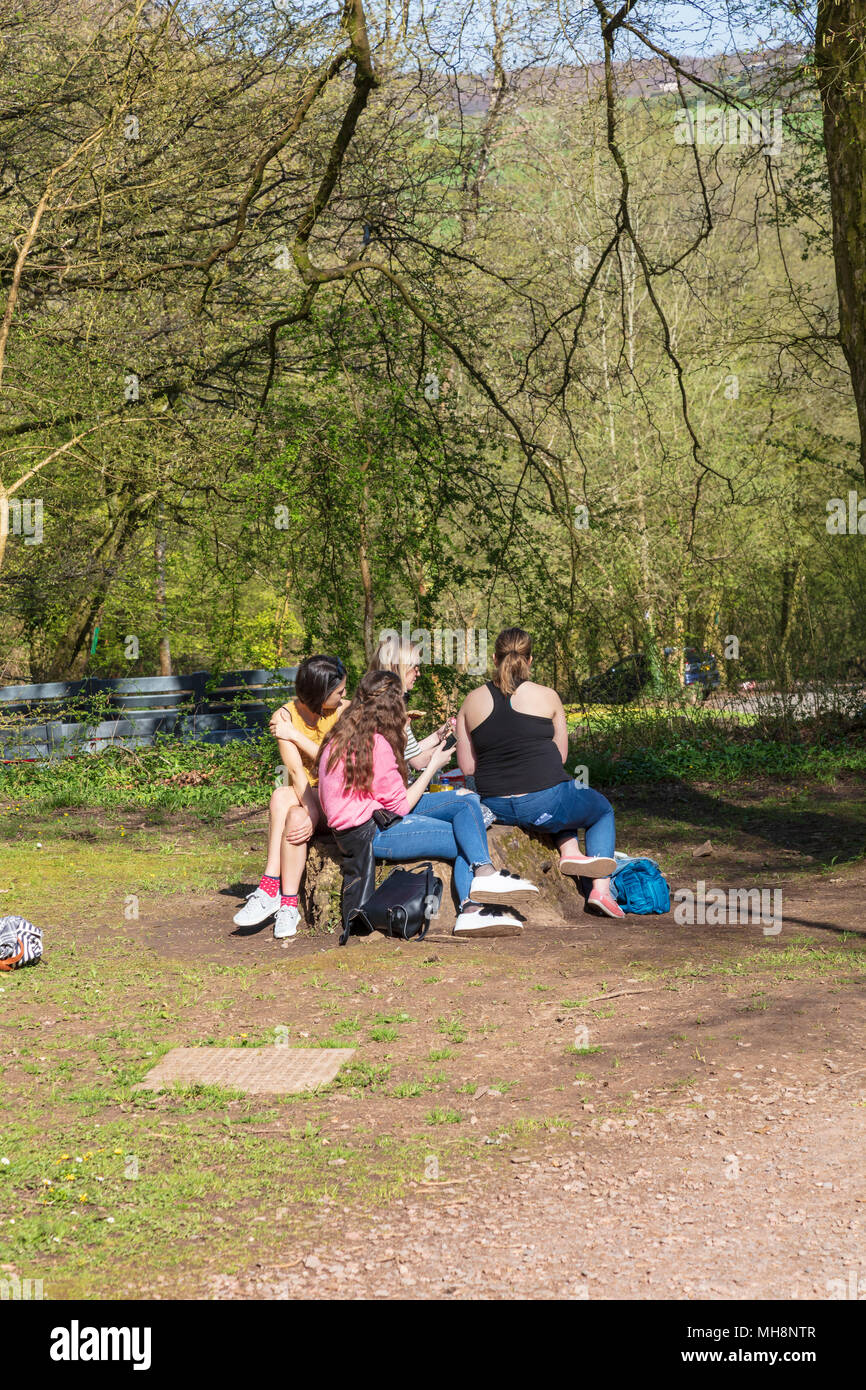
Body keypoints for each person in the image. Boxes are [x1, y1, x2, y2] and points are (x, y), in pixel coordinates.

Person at [318, 670, 538, 937]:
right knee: (463, 838)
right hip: (371, 833)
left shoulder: (345, 733)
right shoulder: (377, 743)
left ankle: (485, 871)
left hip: (374, 815)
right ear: (392, 705)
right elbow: (400, 807)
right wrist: (433, 764)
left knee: (466, 801)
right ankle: (470, 911)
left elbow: (388, 795)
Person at [456, 627, 624, 919]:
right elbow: (559, 758)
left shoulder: (471, 701)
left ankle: (570, 852)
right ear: (530, 660)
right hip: (545, 800)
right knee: (599, 809)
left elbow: (468, 767)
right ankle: (601, 890)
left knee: (559, 797)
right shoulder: (548, 696)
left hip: (496, 806)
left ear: (494, 658)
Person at [233, 655, 348, 939]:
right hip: (306, 796)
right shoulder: (285, 716)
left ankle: (271, 886)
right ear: (321, 695)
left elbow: (336, 762)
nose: (345, 695)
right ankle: (284, 900)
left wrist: (295, 737)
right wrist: (309, 812)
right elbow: (296, 772)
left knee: (285, 798)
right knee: (284, 799)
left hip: (339, 796)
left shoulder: (345, 711)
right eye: (339, 691)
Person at [369, 632, 452, 769]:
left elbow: (408, 753)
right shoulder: (389, 709)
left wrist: (437, 736)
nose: (418, 674)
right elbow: (418, 762)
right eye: (415, 667)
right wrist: (450, 744)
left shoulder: (377, 700)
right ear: (399, 667)